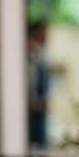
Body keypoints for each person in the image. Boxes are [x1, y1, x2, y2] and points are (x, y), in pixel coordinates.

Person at [27, 20, 51, 148]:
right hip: (31, 109)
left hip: (39, 107)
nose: (45, 36)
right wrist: (32, 100)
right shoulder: (28, 55)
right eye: (42, 32)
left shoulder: (40, 53)